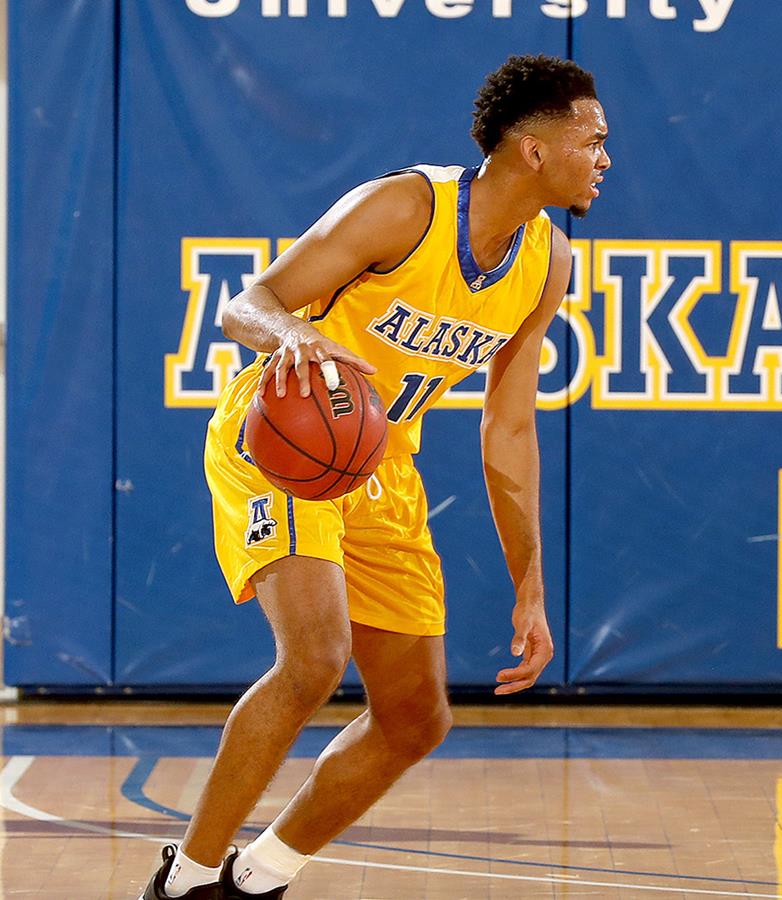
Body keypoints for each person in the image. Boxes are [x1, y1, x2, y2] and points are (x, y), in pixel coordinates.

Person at [138, 54, 610, 899]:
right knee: (315, 658)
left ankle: (259, 877)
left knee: (416, 718)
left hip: (378, 460)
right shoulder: (407, 206)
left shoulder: (549, 264)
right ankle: (187, 880)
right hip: (280, 435)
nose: (605, 158)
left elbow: (507, 428)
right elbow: (247, 304)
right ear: (533, 151)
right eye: (593, 140)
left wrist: (529, 580)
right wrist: (295, 338)